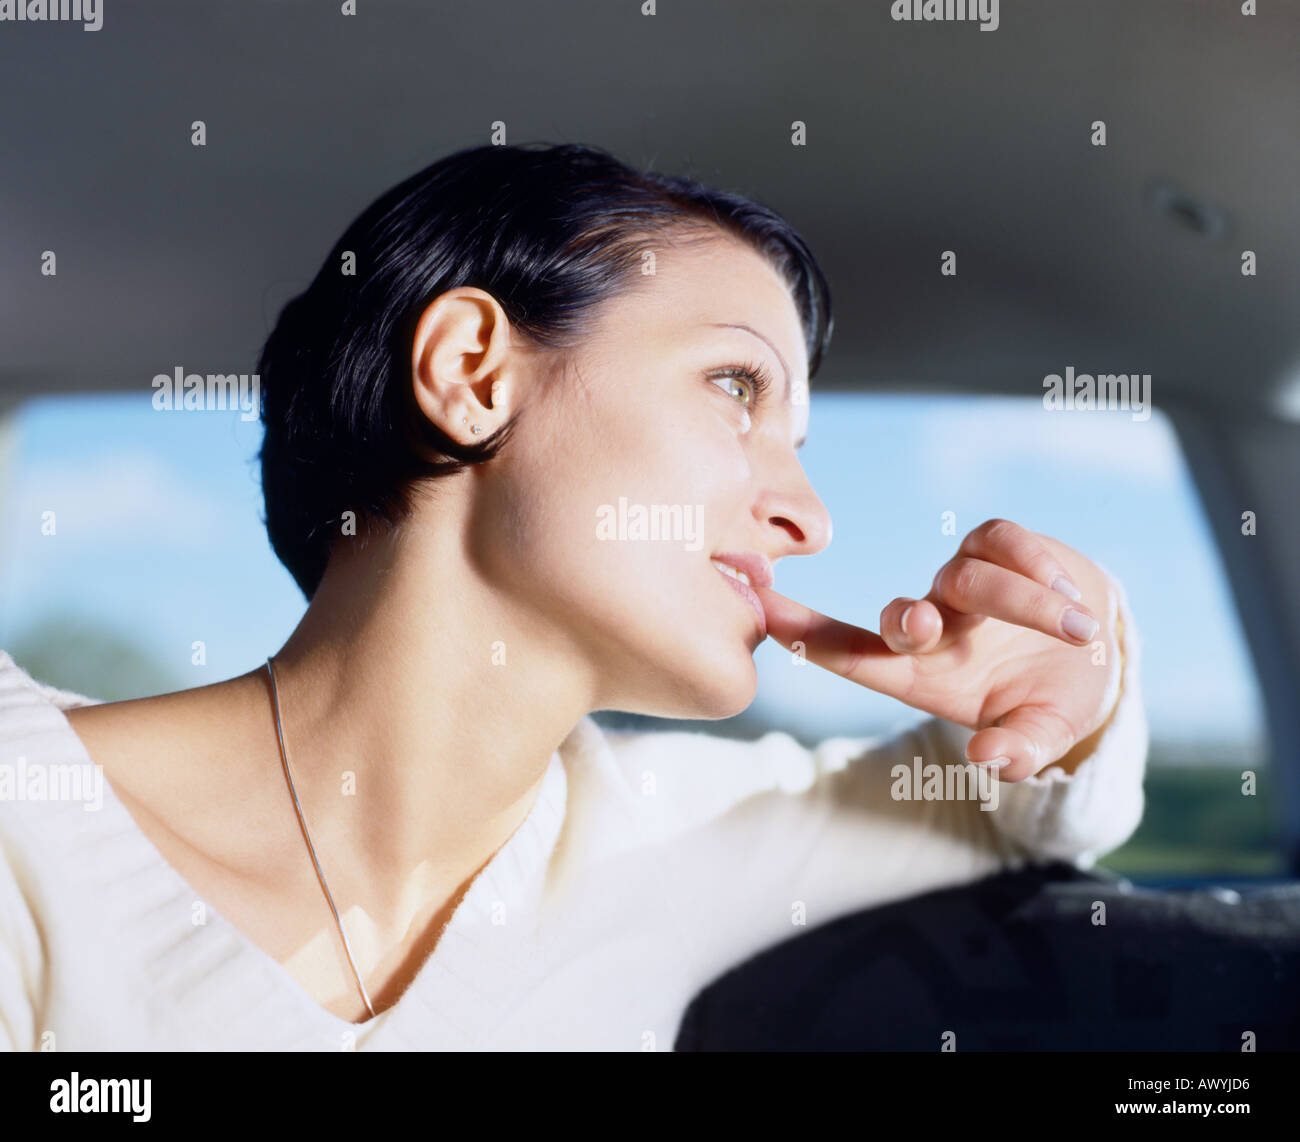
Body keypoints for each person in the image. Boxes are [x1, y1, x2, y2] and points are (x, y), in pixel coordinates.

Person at [0, 142, 1146, 1051]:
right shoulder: (23, 828)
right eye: (735, 384)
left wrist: (1058, 698)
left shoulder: (678, 834)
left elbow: (1006, 820)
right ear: (473, 374)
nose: (811, 517)